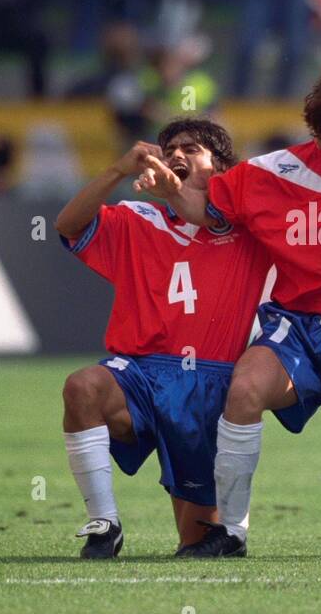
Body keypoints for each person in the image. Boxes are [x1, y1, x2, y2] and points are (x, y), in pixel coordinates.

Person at [134, 56, 321, 557]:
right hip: (301, 327)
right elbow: (206, 212)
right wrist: (170, 188)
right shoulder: (279, 171)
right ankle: (230, 533)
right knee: (245, 389)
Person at [53, 119, 272, 557]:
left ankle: (221, 529)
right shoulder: (138, 217)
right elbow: (69, 225)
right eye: (169, 148)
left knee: (199, 543)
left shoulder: (248, 226)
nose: (176, 155)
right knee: (82, 386)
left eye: (192, 149)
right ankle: (104, 525)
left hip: (209, 386)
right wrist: (117, 171)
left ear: (222, 166)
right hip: (139, 372)